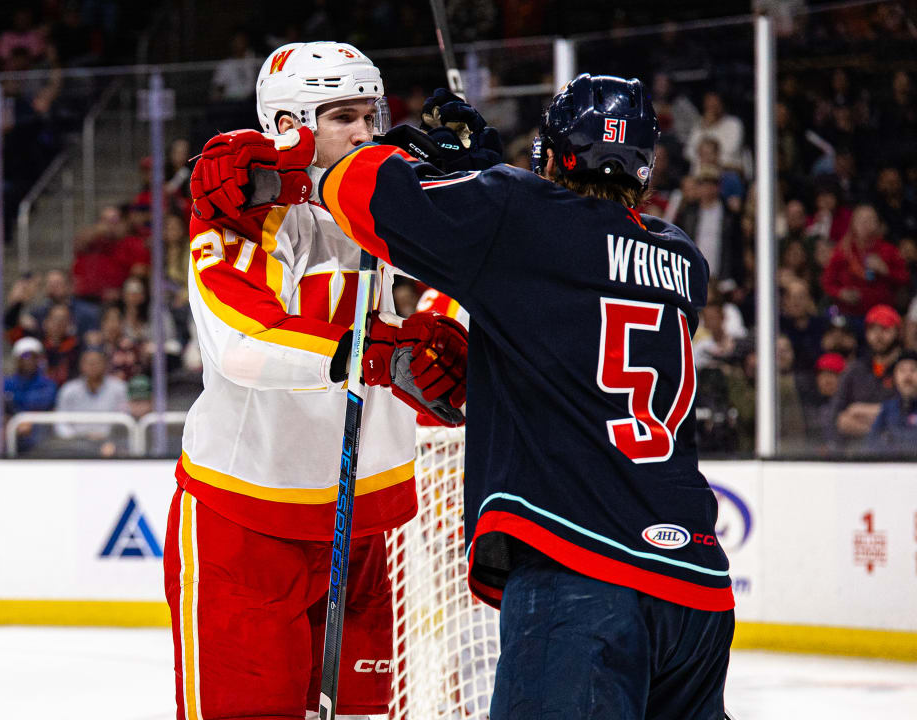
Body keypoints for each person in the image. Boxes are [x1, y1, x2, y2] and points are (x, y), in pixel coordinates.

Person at [196, 73, 735, 718]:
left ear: (551, 153)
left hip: (583, 570)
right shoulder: (684, 260)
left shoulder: (516, 217)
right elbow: (571, 269)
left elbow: (358, 186)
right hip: (697, 591)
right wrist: (477, 169)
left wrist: (283, 177)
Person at [171, 42, 469, 720]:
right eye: (342, 116)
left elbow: (459, 297)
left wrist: (477, 183)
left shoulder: (400, 197)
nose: (365, 132)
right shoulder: (242, 201)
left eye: (370, 113)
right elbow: (241, 346)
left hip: (368, 518)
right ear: (288, 123)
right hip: (245, 521)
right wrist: (381, 354)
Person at [829, 303, 905, 449]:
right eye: (872, 329)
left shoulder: (909, 368)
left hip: (902, 454)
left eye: (885, 329)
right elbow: (838, 417)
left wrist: (859, 410)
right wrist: (881, 433)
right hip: (859, 454)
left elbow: (907, 414)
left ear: (898, 332)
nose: (878, 336)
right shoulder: (855, 370)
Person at [53, 348, 128, 456]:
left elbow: (124, 419)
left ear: (105, 364)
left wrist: (111, 440)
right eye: (89, 363)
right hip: (75, 444)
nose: (93, 366)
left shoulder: (119, 388)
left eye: (97, 362)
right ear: (81, 365)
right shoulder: (69, 390)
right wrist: (77, 437)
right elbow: (60, 423)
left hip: (110, 444)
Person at [866, 350, 917, 454]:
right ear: (894, 376)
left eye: (913, 370)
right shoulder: (888, 408)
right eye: (902, 370)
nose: (907, 376)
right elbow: (871, 441)